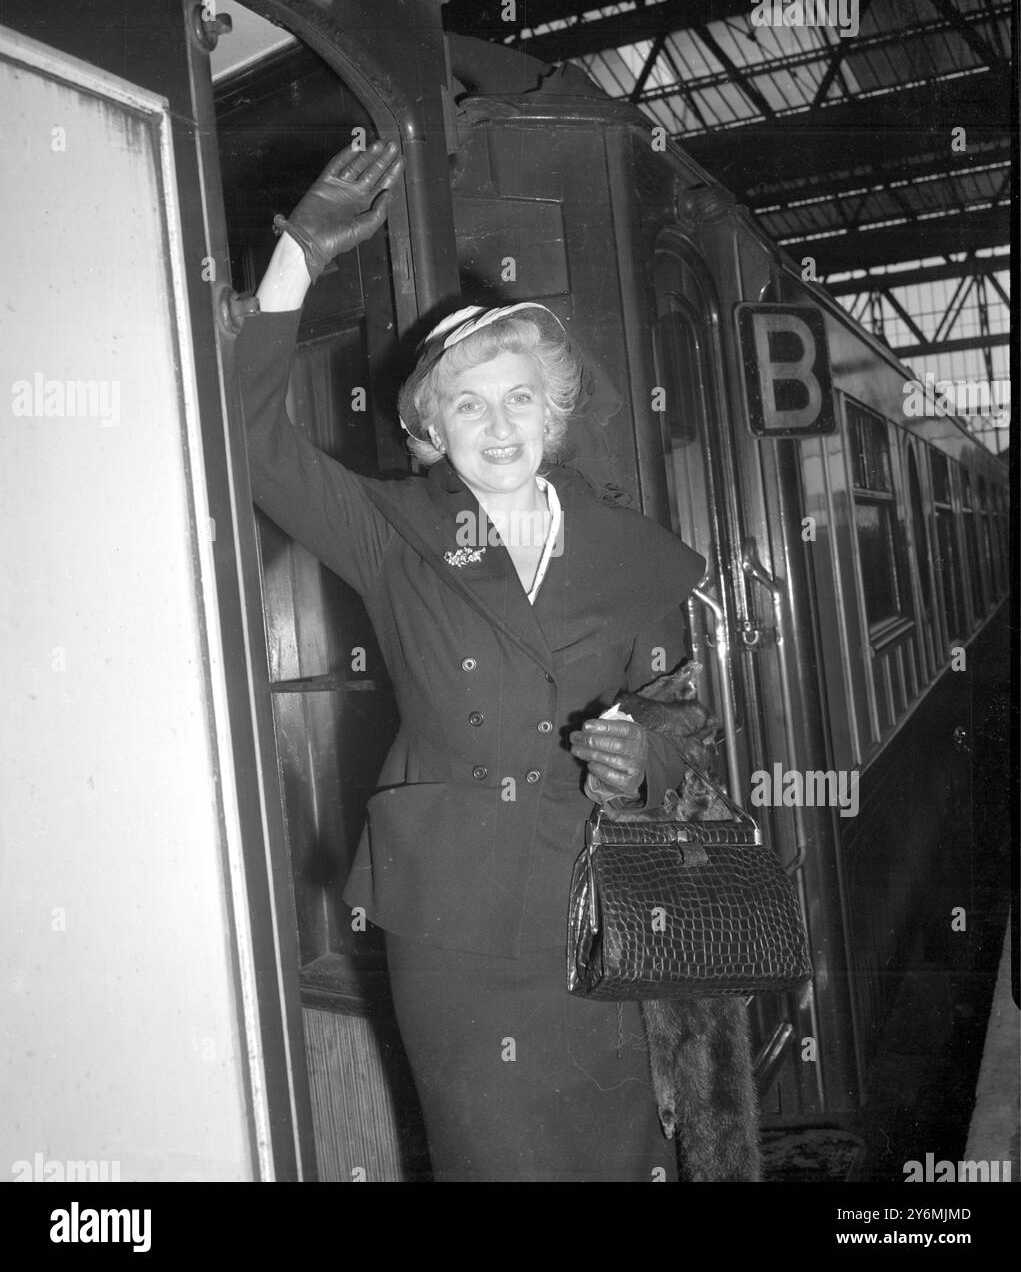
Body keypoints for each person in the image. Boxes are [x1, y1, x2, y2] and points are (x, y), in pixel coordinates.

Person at [237, 140, 706, 1182]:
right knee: (493, 1159)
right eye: (467, 405)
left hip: (600, 909)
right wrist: (297, 258)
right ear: (430, 430)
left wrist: (647, 758)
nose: (499, 426)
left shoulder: (628, 546)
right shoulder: (390, 530)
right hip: (455, 920)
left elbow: (680, 711)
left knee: (614, 1157)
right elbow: (249, 435)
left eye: (519, 399)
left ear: (554, 410)